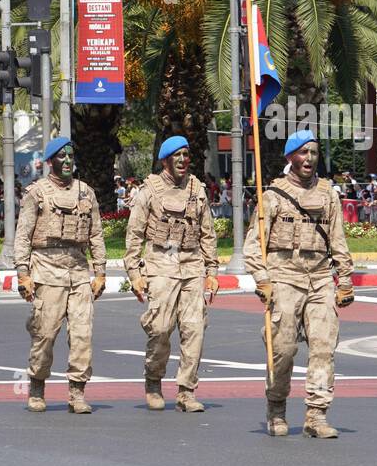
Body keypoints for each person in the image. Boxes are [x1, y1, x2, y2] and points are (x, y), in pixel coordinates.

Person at [243, 129, 354, 438]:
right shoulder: (273, 196)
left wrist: (344, 280)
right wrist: (262, 279)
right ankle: (276, 408)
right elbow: (254, 245)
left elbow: (338, 240)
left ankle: (316, 416)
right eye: (303, 153)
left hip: (320, 278)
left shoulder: (327, 193)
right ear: (291, 157)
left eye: (314, 153)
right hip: (284, 278)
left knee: (323, 347)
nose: (309, 159)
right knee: (283, 349)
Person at [123, 135, 219, 412]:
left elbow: (207, 233)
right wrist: (134, 274)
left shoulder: (197, 189)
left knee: (194, 329)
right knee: (161, 328)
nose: (182, 160)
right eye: (176, 156)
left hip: (190, 265)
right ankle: (153, 381)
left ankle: (186, 391)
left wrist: (212, 270)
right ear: (165, 160)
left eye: (186, 155)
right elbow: (135, 235)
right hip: (160, 264)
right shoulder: (149, 190)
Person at [14, 137, 106, 413]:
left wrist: (100, 271)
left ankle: (77, 392)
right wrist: (23, 273)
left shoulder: (86, 193)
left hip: (78, 271)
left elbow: (96, 234)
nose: (67, 161)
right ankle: (37, 386)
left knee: (82, 335)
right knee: (45, 334)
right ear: (50, 161)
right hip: (46, 269)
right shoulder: (36, 193)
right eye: (61, 157)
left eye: (70, 156)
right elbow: (23, 237)